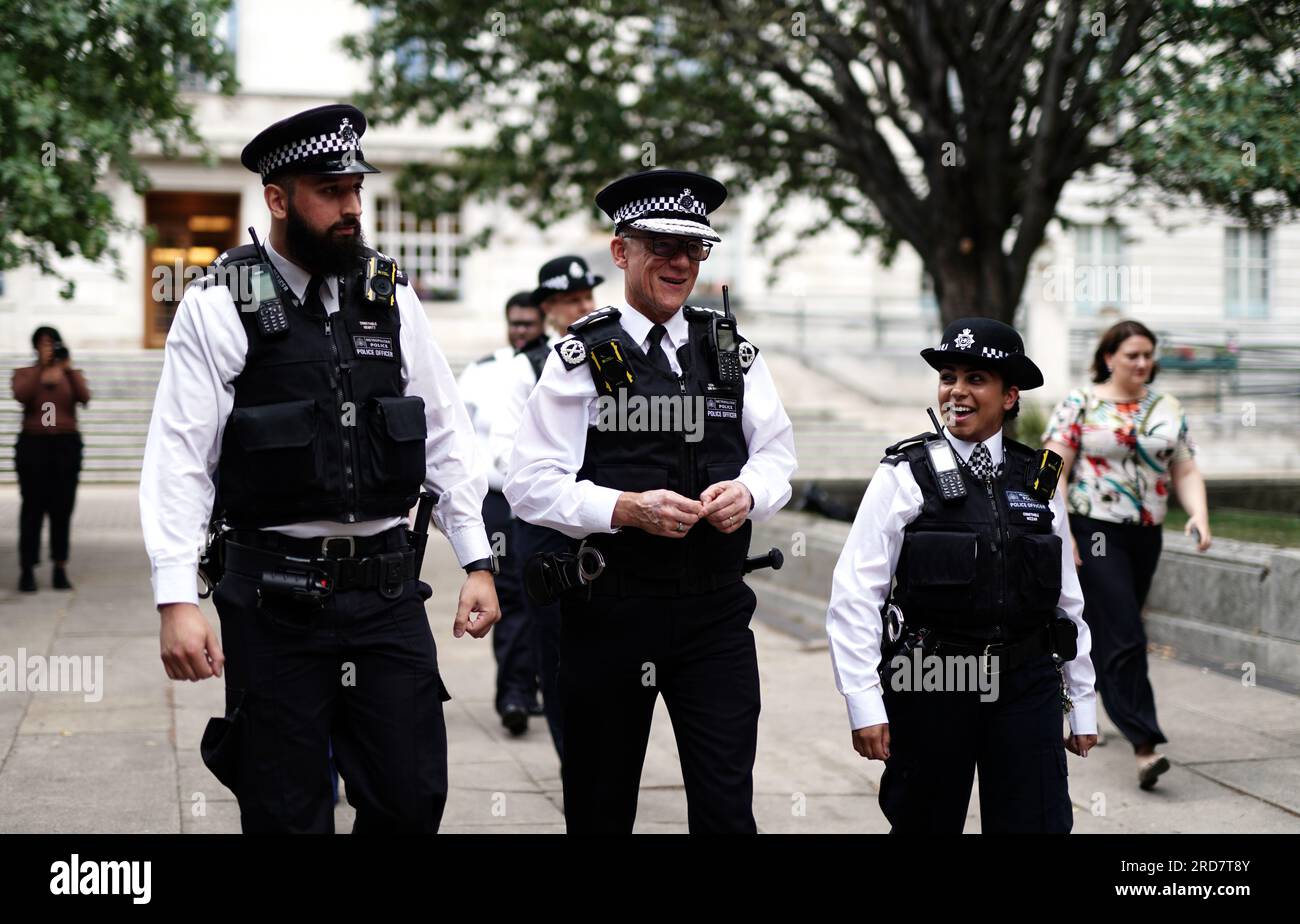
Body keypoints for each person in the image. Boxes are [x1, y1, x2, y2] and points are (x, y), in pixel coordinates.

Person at [139, 104, 500, 833]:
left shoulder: (388, 293)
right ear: (277, 199)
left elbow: (444, 429)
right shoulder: (218, 301)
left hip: (387, 595)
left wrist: (478, 557)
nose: (351, 208)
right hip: (273, 602)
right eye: (330, 192)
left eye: (356, 190)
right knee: (286, 811)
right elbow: (181, 457)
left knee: (412, 796)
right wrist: (176, 598)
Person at [505, 169, 797, 833]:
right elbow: (528, 482)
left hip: (714, 615)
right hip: (611, 611)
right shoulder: (580, 356)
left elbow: (778, 454)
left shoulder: (731, 351)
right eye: (660, 245)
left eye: (693, 249)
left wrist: (749, 492)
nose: (678, 262)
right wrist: (623, 508)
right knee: (601, 807)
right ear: (620, 252)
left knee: (727, 808)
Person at [826, 317, 1098, 833]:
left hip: (1026, 685)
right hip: (933, 681)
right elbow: (856, 593)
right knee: (924, 824)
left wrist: (1081, 698)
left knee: (1036, 825)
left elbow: (1067, 601)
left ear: (1010, 395)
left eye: (976, 379)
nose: (957, 391)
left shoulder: (1037, 481)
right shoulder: (903, 474)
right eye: (948, 376)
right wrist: (863, 701)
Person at [1042, 318, 1209, 791]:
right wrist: (1060, 531)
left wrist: (1199, 514)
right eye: (1132, 354)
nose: (1141, 362)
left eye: (1147, 355)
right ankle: (1144, 746)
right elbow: (1054, 467)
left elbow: (1186, 467)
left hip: (1146, 533)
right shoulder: (1081, 403)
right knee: (1128, 633)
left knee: (1110, 626)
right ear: (1108, 357)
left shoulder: (1167, 407)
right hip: (1095, 529)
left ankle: (1073, 701)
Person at [488, 255, 604, 759]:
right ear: (551, 309)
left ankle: (605, 756)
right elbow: (505, 456)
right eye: (571, 301)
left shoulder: (613, 354)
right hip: (548, 530)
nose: (583, 307)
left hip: (604, 522)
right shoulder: (525, 369)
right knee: (556, 650)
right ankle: (572, 758)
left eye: (587, 297)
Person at [457, 290, 545, 735]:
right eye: (515, 323)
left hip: (544, 502)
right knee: (508, 597)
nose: (521, 331)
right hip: (497, 501)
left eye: (529, 323)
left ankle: (536, 685)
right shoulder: (481, 372)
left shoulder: (555, 366)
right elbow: (459, 436)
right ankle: (514, 693)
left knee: (540, 598)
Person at [11, 326, 90, 592]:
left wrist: (67, 368)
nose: (49, 348)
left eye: (52, 343)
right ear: (35, 347)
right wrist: (40, 369)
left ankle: (60, 566)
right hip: (34, 445)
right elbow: (22, 395)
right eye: (43, 344)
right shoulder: (25, 374)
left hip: (65, 445)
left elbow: (85, 397)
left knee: (62, 509)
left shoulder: (70, 374)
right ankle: (27, 568)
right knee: (32, 508)